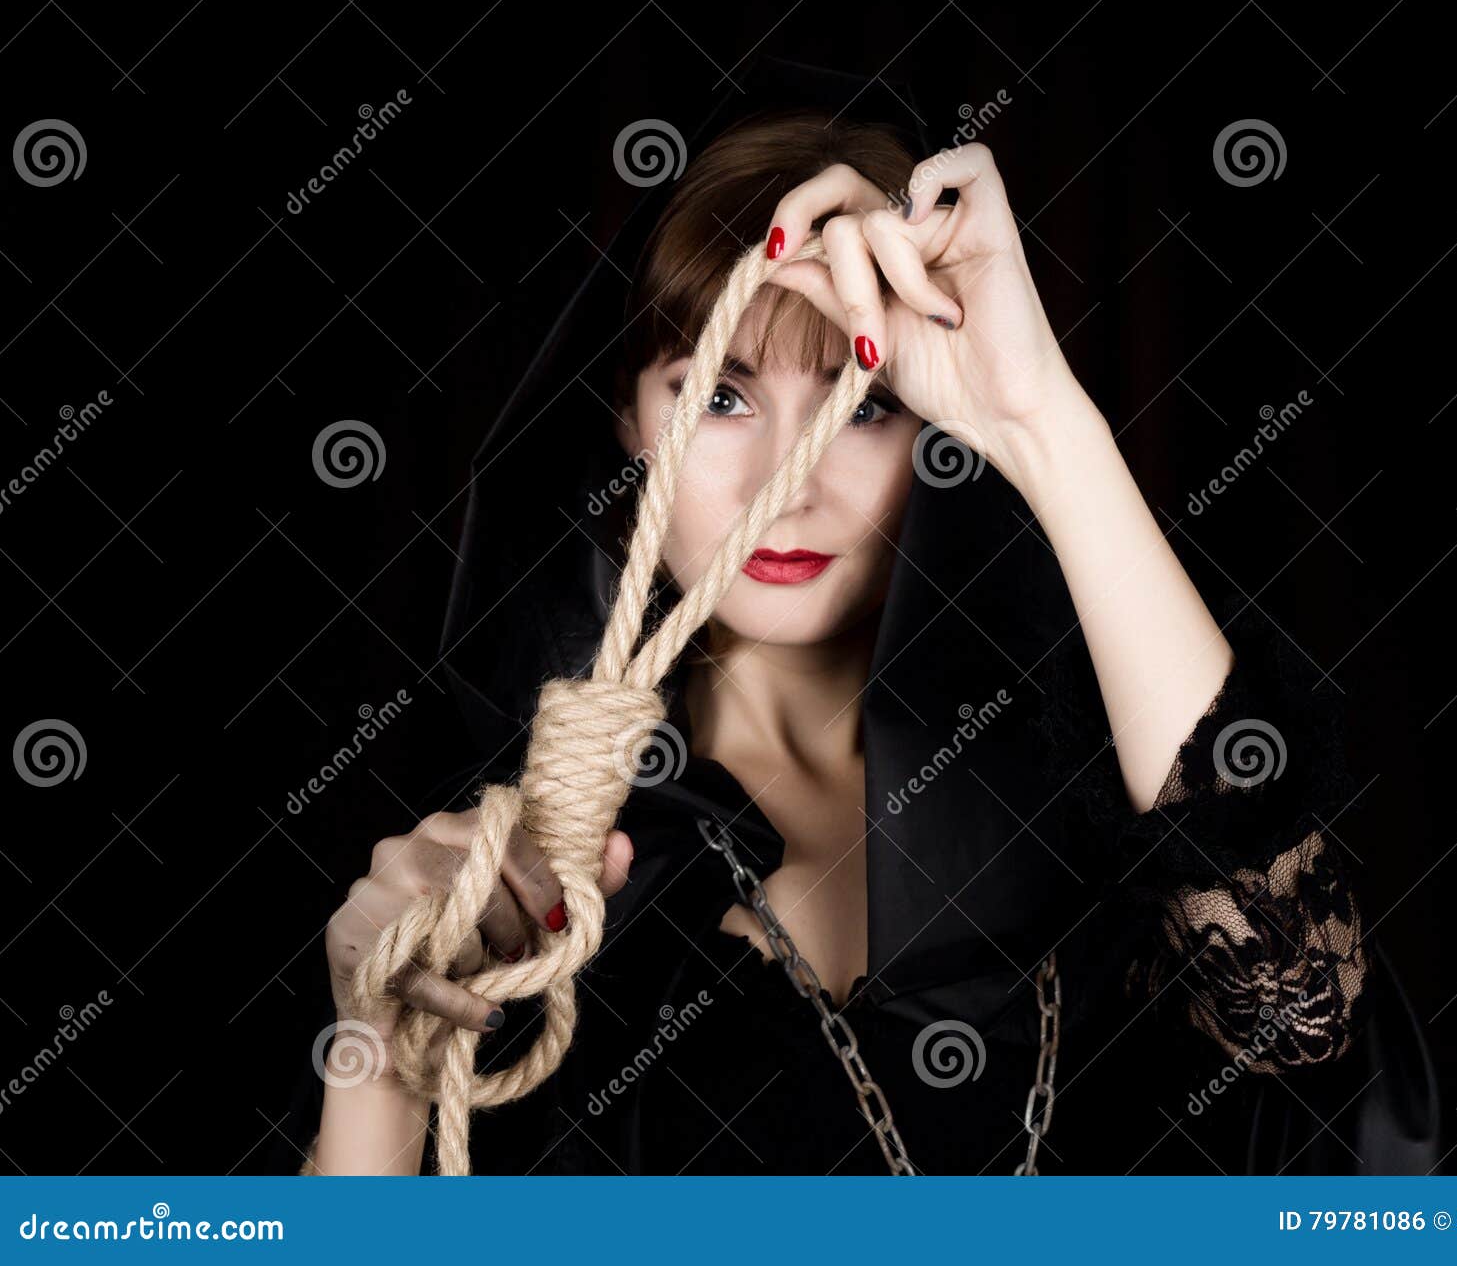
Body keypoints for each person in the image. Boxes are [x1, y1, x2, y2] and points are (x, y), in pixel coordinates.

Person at [292, 57, 1383, 1177]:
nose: (789, 479)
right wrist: (373, 1045)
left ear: (933, 432)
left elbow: (1296, 1015)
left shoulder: (1090, 778)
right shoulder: (507, 863)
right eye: (717, 395)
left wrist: (1037, 415)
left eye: (862, 407)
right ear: (627, 425)